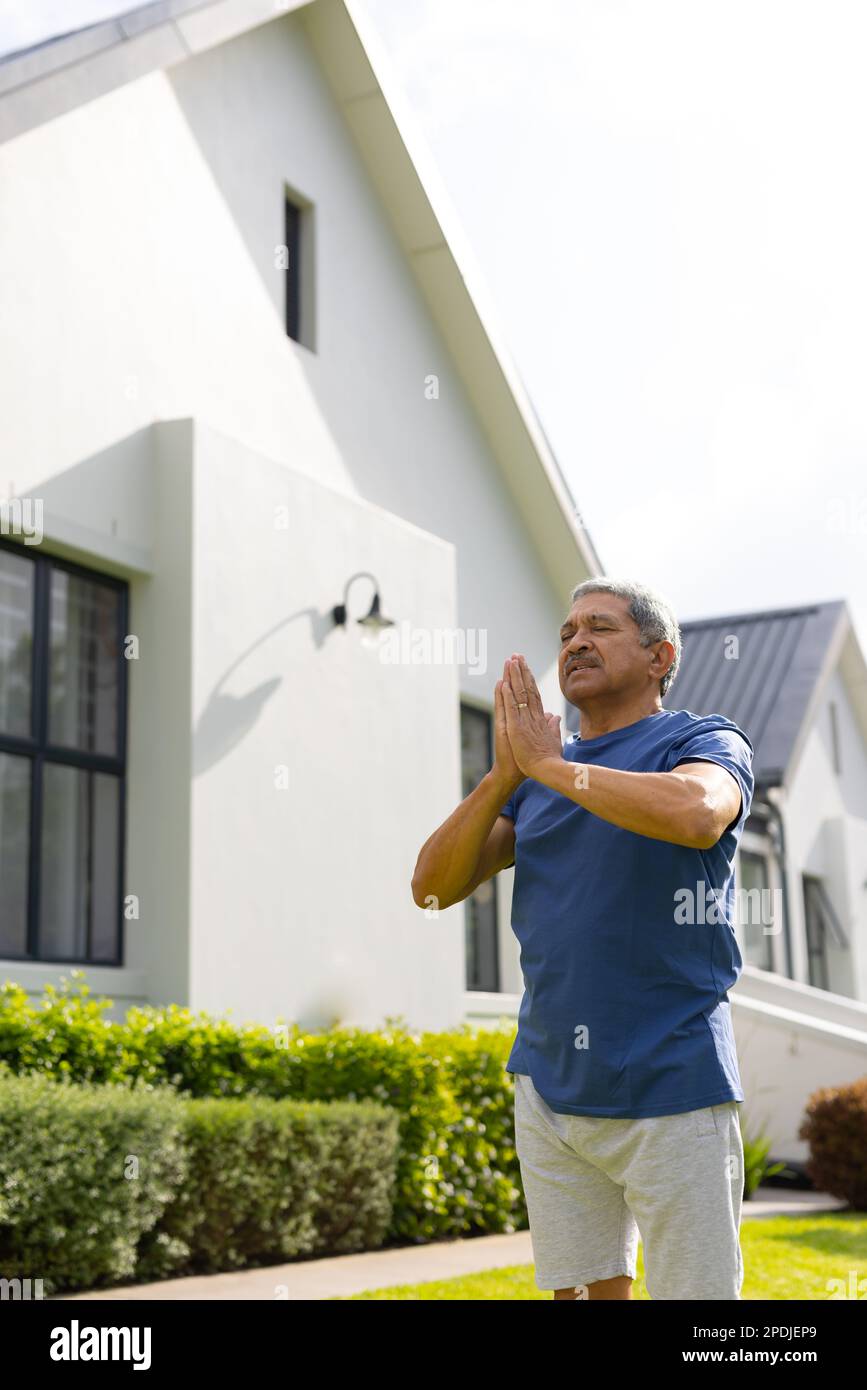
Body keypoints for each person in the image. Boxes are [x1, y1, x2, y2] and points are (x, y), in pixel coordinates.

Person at [411, 577, 755, 1300]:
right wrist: (505, 774)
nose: (575, 642)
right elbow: (432, 889)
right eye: (566, 632)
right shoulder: (536, 777)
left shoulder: (700, 739)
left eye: (599, 627)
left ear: (660, 656)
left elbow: (697, 813)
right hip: (549, 1085)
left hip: (674, 1077)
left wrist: (553, 769)